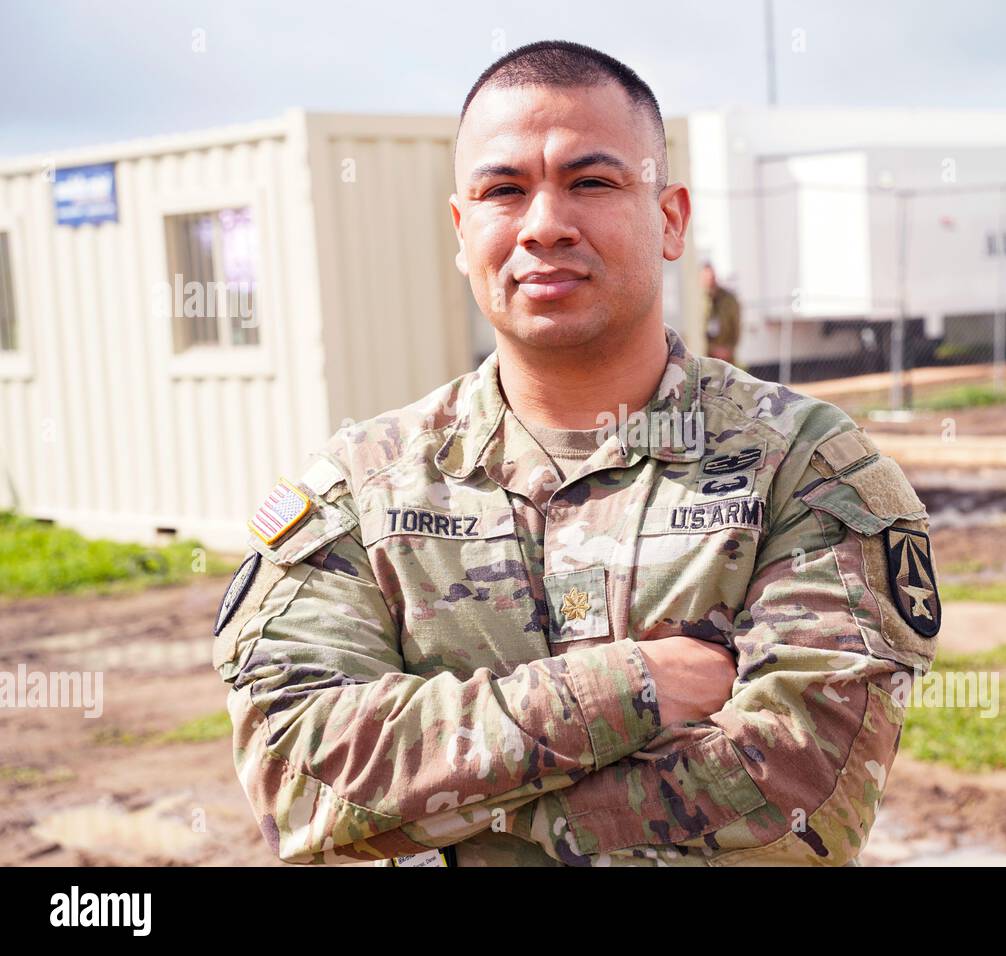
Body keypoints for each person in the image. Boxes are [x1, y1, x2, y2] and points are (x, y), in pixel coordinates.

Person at [212, 39, 941, 867]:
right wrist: (631, 690)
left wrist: (446, 808)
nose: (545, 225)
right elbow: (301, 783)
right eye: (503, 191)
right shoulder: (362, 489)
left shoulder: (807, 471)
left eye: (591, 183)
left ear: (668, 218)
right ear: (462, 231)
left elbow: (794, 799)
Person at [702, 262, 741, 363]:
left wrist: (728, 348)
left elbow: (736, 325)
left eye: (711, 276)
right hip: (708, 355)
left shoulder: (728, 299)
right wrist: (712, 348)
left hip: (726, 353)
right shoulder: (701, 300)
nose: (709, 280)